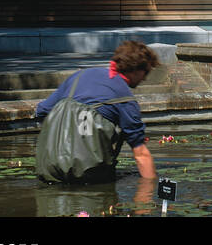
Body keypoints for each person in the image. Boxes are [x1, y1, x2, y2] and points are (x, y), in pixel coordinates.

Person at [34, 40, 159, 182]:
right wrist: (149, 192)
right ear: (136, 70)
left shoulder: (78, 76)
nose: (145, 78)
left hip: (50, 168)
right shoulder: (125, 99)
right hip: (89, 173)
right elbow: (141, 154)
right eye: (146, 72)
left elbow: (42, 111)